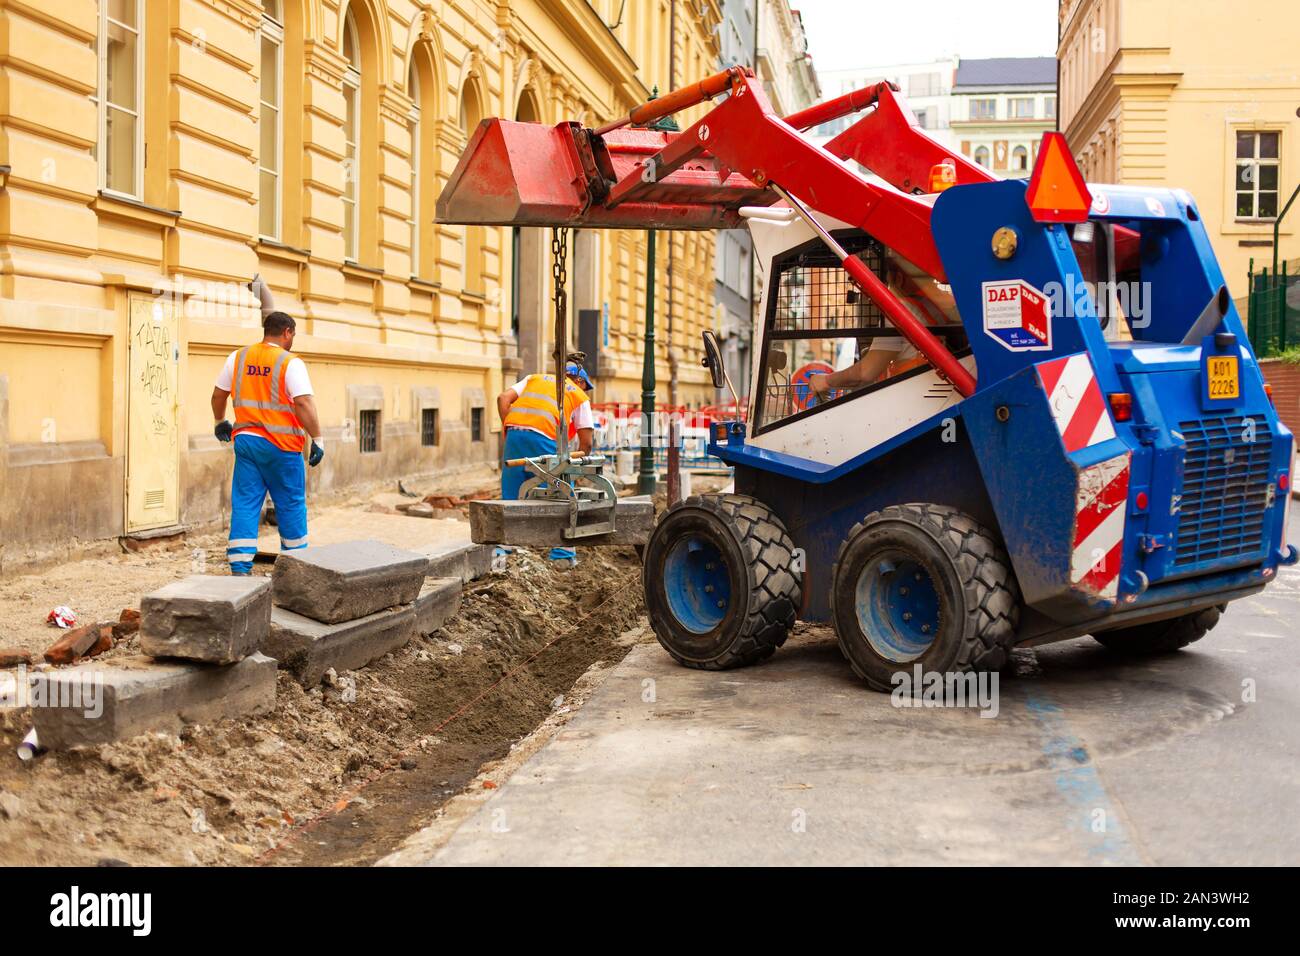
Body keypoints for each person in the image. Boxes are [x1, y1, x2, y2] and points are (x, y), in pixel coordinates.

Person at [211, 310, 324, 574]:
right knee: (291, 502)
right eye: (292, 335)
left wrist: (220, 421)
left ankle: (240, 567)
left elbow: (218, 395)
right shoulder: (290, 362)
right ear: (287, 332)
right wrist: (317, 438)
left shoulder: (238, 357)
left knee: (246, 502)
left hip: (247, 443)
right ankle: (296, 567)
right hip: (282, 447)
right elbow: (303, 402)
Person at [496, 353, 595, 564]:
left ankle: (504, 550)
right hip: (544, 439)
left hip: (514, 434)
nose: (585, 391)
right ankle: (563, 555)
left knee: (511, 492)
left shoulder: (534, 378)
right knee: (559, 492)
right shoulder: (578, 394)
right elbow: (586, 443)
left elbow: (503, 399)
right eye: (585, 386)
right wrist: (577, 463)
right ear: (579, 381)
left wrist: (515, 430)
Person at [810, 261, 957, 401]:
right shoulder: (934, 307)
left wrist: (826, 381)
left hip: (913, 395)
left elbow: (866, 372)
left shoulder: (899, 312)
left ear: (898, 278)